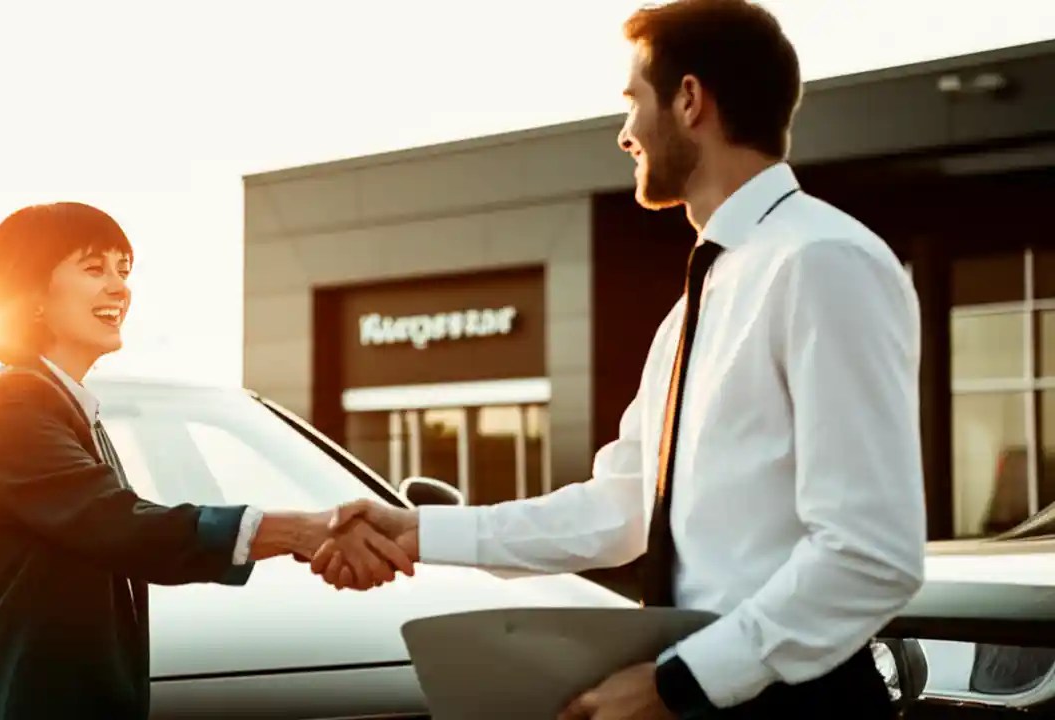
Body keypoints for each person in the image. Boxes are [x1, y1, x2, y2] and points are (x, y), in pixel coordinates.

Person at [315, 0, 926, 717]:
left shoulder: (822, 262)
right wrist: (421, 531)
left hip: (795, 705)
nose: (624, 133)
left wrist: (681, 683)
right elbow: (622, 507)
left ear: (689, 100)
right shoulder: (695, 306)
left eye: (633, 101)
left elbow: (872, 554)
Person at [0, 201, 412, 720]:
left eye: (124, 269)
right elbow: (121, 525)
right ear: (31, 294)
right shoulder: (14, 406)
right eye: (94, 269)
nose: (118, 288)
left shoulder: (65, 405)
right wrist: (301, 531)